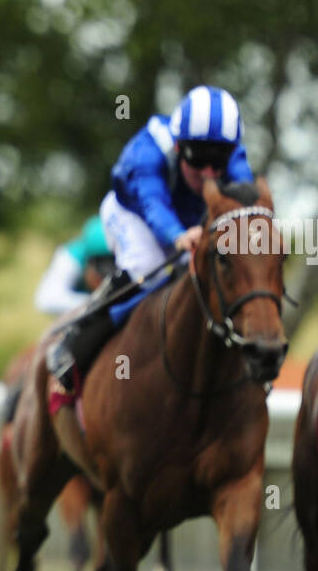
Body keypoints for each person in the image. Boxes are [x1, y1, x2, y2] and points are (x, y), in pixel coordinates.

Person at [47, 85, 253, 390]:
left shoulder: (233, 158)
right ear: (179, 147)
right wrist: (178, 235)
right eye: (200, 158)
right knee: (150, 267)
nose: (210, 171)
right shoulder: (146, 154)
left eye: (219, 159)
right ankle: (76, 341)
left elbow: (245, 203)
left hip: (187, 216)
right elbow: (153, 205)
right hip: (133, 213)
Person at [34, 215, 114, 316]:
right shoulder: (72, 256)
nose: (108, 276)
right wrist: (97, 301)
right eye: (105, 268)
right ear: (89, 262)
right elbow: (46, 300)